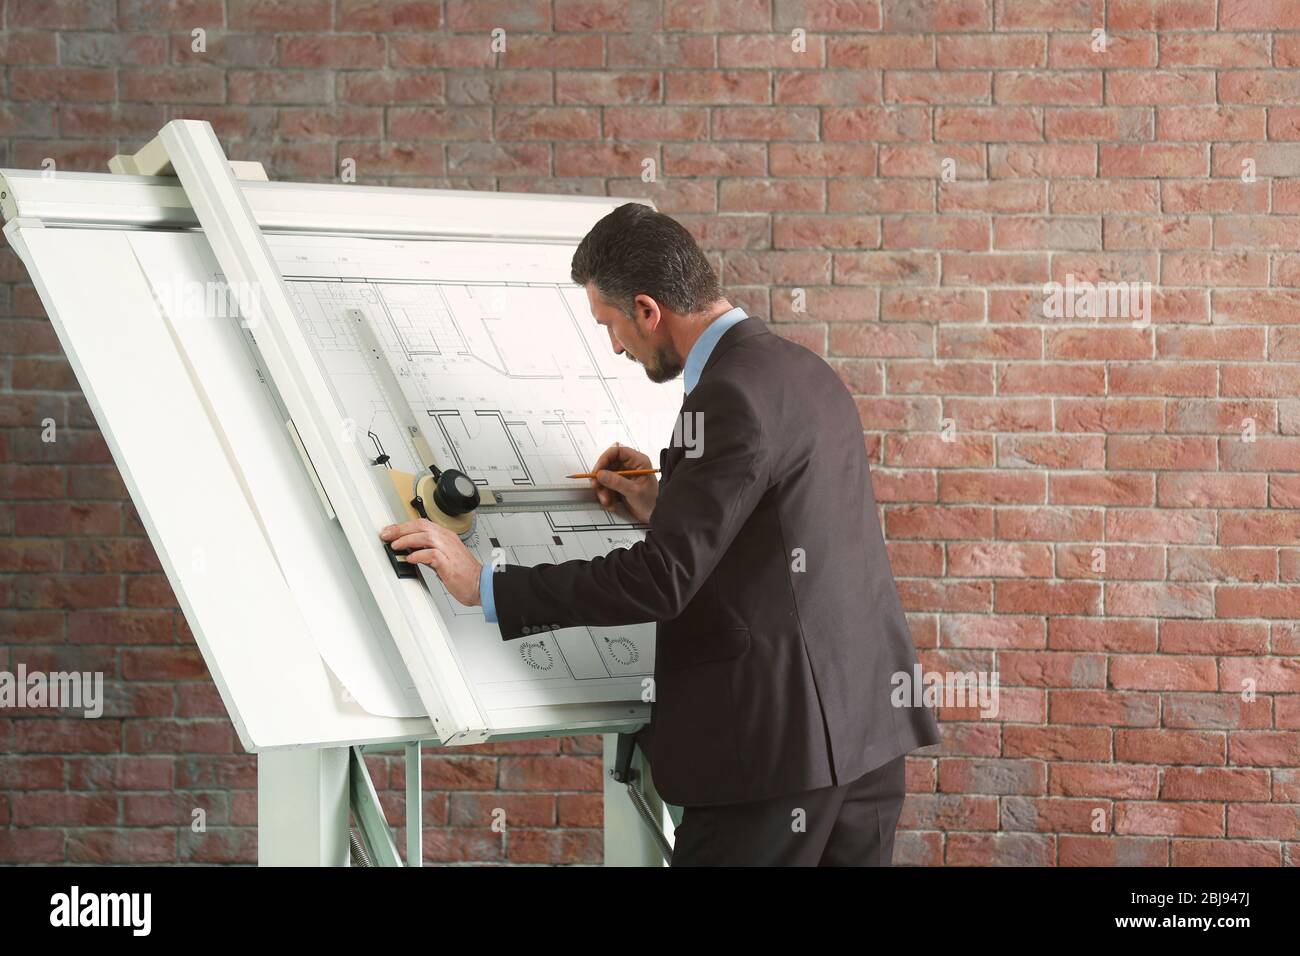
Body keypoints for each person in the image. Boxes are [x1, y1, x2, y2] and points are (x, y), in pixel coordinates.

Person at [379, 202, 941, 865]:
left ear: (648, 309)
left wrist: (487, 585)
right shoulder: (799, 370)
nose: (615, 346)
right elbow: (784, 531)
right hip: (866, 736)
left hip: (773, 757)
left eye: (610, 324)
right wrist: (661, 503)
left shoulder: (726, 395)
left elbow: (660, 580)